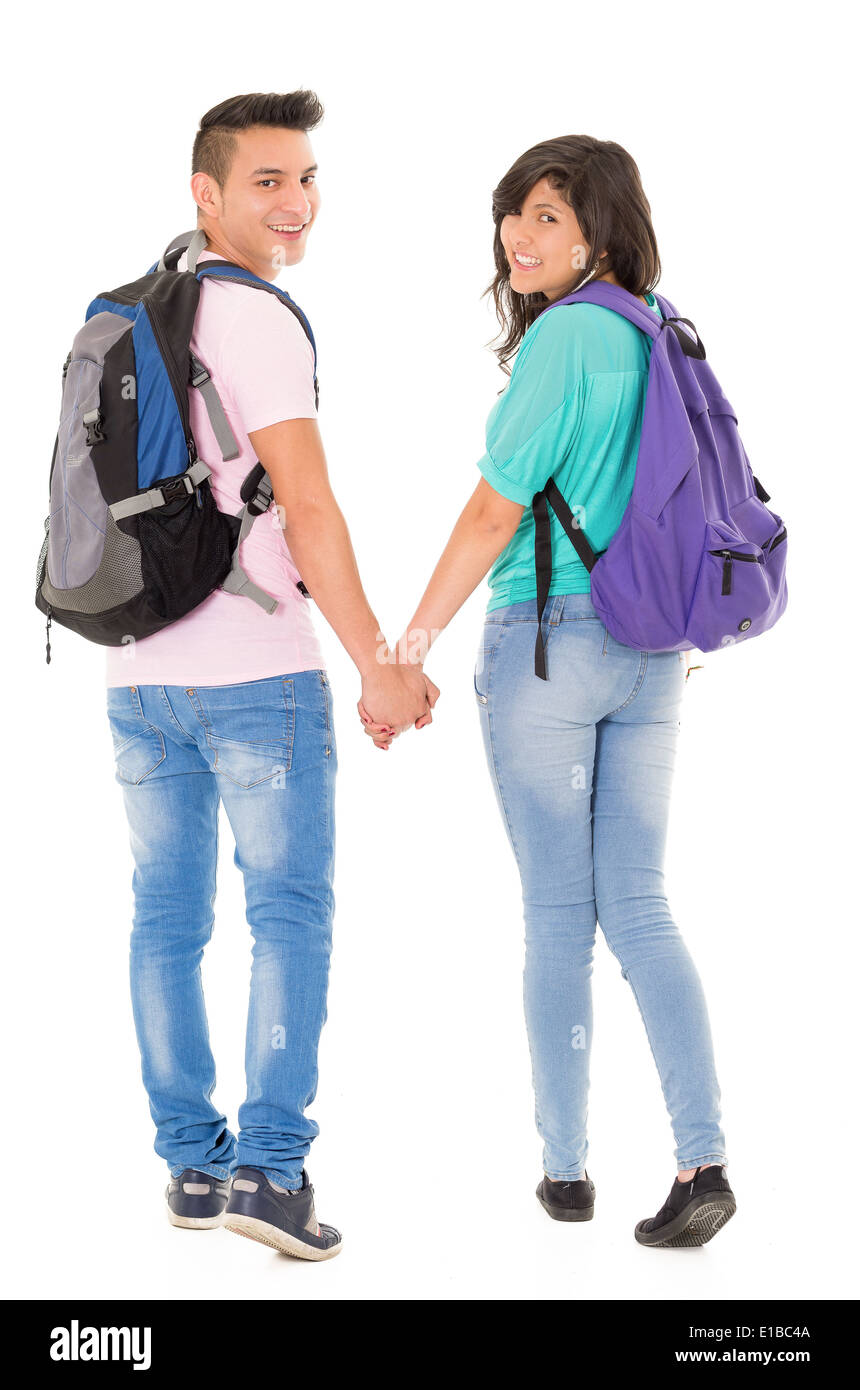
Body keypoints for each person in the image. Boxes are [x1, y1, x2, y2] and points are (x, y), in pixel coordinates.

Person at [360, 135, 736, 1248]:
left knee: (555, 916)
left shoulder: (565, 339)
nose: (517, 238)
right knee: (642, 904)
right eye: (510, 215)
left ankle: (565, 1169)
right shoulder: (656, 328)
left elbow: (490, 513)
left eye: (543, 217)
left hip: (548, 647)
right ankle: (700, 1158)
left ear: (598, 231)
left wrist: (405, 650)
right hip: (650, 651)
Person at [105, 90, 438, 1261]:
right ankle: (270, 1174)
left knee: (164, 919)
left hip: (137, 672)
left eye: (305, 178)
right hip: (257, 673)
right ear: (205, 192)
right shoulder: (255, 318)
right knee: (286, 914)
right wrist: (381, 662)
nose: (294, 202)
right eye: (266, 181)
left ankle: (191, 1174)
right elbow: (305, 505)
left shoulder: (128, 311)